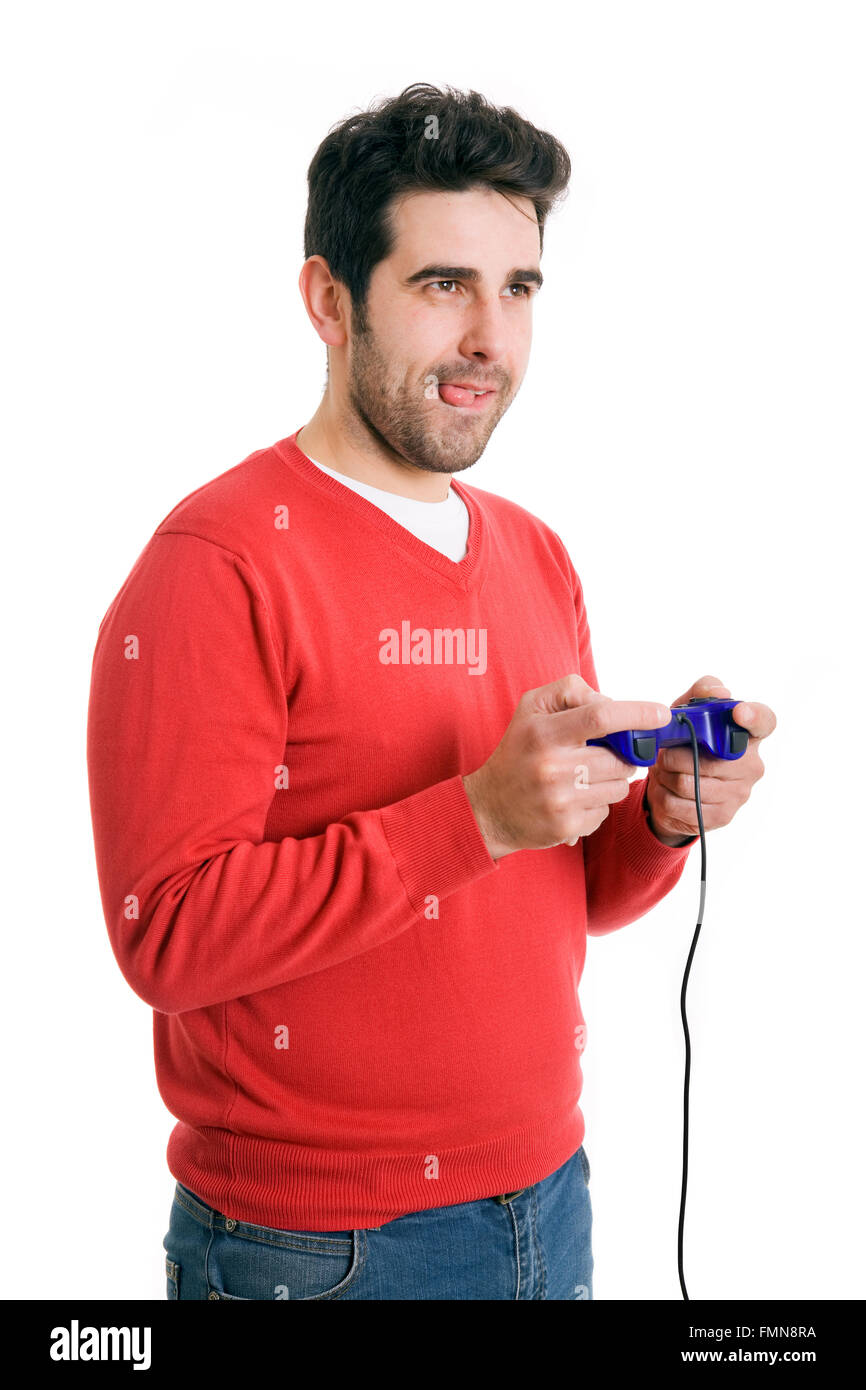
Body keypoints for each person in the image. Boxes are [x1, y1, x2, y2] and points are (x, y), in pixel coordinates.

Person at [86, 82, 773, 1301]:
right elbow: (168, 935)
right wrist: (477, 815)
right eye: (441, 284)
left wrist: (661, 814)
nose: (489, 342)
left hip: (549, 1203)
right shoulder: (218, 565)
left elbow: (559, 888)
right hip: (322, 1253)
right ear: (328, 301)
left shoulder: (533, 552)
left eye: (517, 289)